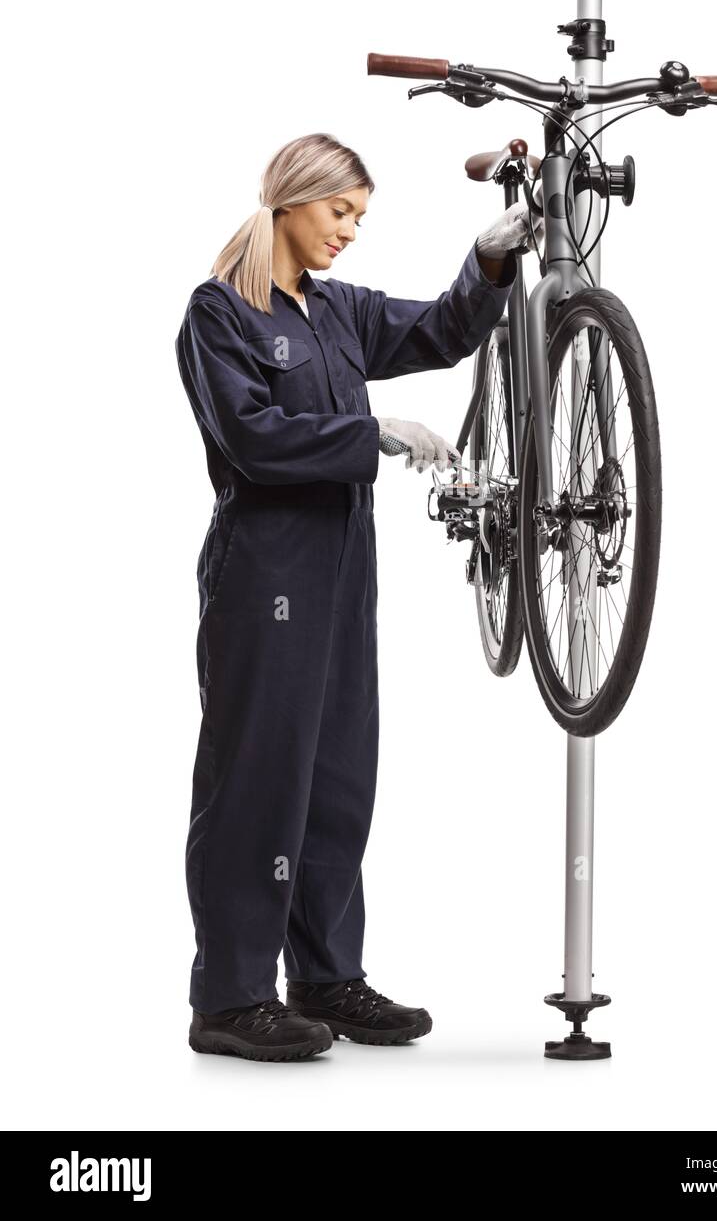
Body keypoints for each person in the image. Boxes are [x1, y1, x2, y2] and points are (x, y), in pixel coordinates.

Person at [176, 132, 542, 1061]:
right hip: (267, 572)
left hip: (343, 564)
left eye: (360, 218)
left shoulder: (337, 313)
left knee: (339, 772)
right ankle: (229, 999)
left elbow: (441, 329)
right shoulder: (221, 312)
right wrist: (368, 432)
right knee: (260, 774)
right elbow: (253, 438)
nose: (349, 232)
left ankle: (328, 976)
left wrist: (490, 258)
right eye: (339, 212)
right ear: (292, 203)